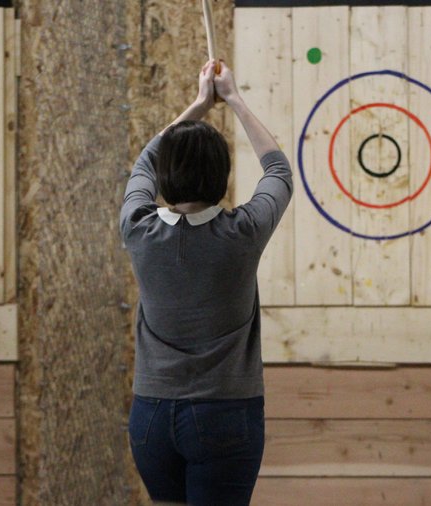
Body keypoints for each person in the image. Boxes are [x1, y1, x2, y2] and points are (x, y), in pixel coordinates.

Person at [120, 58, 292, 505]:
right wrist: (233, 99)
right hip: (224, 414)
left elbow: (146, 160)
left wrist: (199, 104)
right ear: (221, 176)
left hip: (151, 415)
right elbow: (278, 171)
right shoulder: (243, 233)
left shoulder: (137, 228)